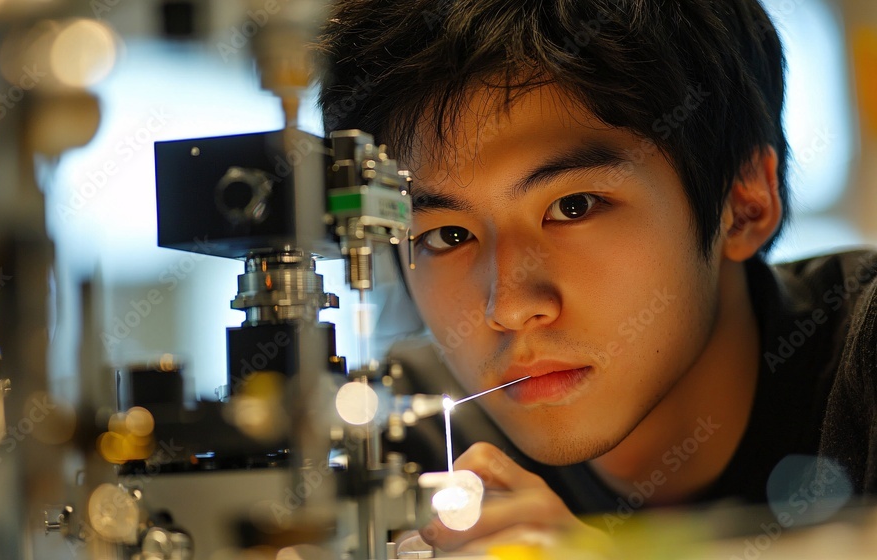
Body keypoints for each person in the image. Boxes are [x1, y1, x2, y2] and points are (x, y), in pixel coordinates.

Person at [317, 0, 877, 554]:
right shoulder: (409, 434)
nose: (509, 307)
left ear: (745, 201)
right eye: (448, 237)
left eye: (574, 206)